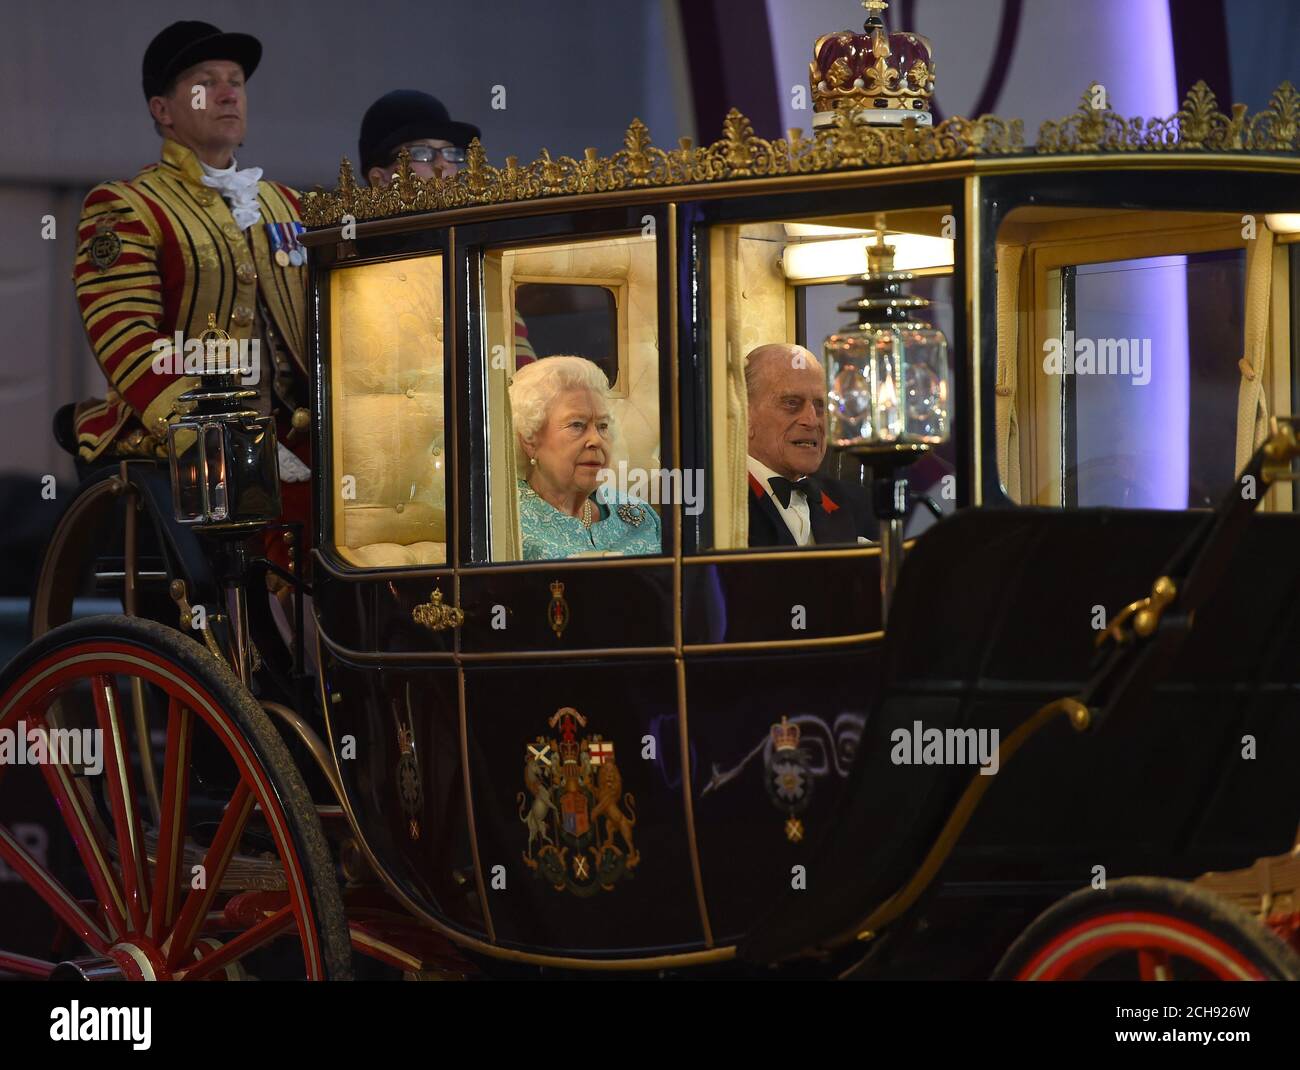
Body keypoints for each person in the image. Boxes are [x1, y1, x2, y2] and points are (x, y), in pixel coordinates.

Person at [71, 20, 312, 582]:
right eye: (206, 83)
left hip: (301, 438)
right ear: (163, 110)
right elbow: (127, 339)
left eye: (237, 82)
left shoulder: (290, 205)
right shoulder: (127, 206)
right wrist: (225, 432)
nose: (229, 93)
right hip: (186, 441)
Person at [510, 356, 660, 560]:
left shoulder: (638, 513)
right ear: (530, 440)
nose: (596, 440)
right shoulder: (507, 525)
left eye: (602, 426)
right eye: (577, 425)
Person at [745, 343, 874, 547]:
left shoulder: (860, 505)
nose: (812, 421)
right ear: (746, 414)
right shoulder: (717, 509)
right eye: (791, 403)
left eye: (820, 405)